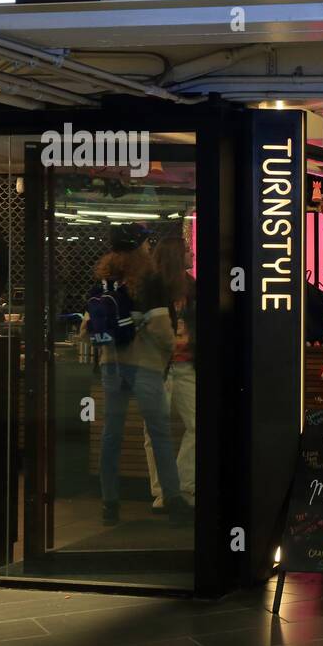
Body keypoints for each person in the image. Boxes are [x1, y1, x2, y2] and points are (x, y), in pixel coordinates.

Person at [90, 224, 191, 528]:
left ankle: (109, 502)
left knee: (112, 433)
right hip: (145, 365)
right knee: (159, 432)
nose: (149, 248)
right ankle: (172, 499)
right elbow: (161, 328)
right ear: (140, 247)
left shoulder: (104, 281)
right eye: (147, 243)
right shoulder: (150, 281)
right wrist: (172, 347)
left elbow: (89, 326)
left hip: (111, 365)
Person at [148, 235, 196, 506]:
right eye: (187, 250)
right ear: (176, 256)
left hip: (185, 363)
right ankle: (166, 491)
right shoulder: (153, 288)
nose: (191, 254)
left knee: (197, 424)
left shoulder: (192, 287)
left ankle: (178, 486)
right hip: (160, 366)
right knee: (155, 430)